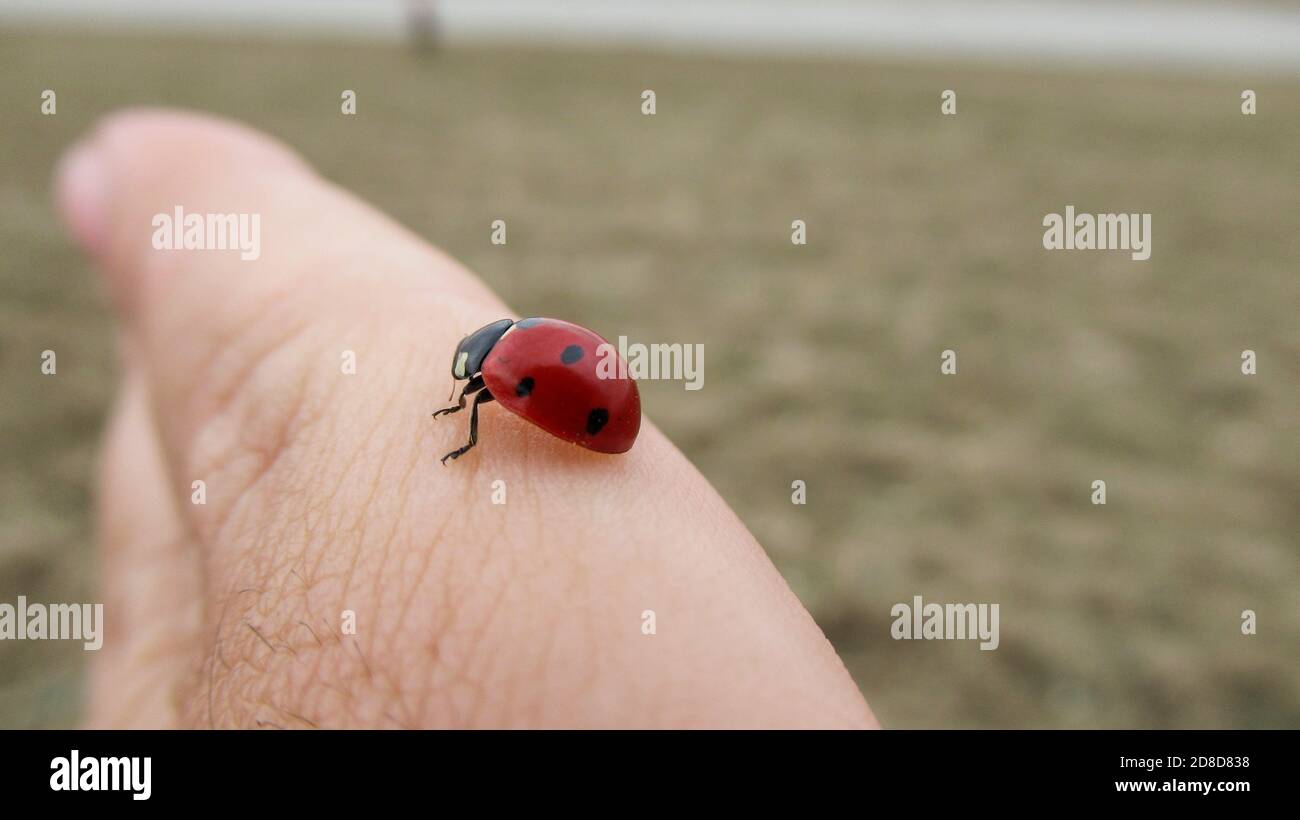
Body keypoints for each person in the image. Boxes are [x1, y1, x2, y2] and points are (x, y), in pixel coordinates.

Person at [55, 109, 877, 729]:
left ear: (476, 369)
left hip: (596, 424)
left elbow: (493, 402)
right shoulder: (511, 357)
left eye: (466, 383)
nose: (466, 388)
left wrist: (464, 430)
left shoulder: (498, 371)